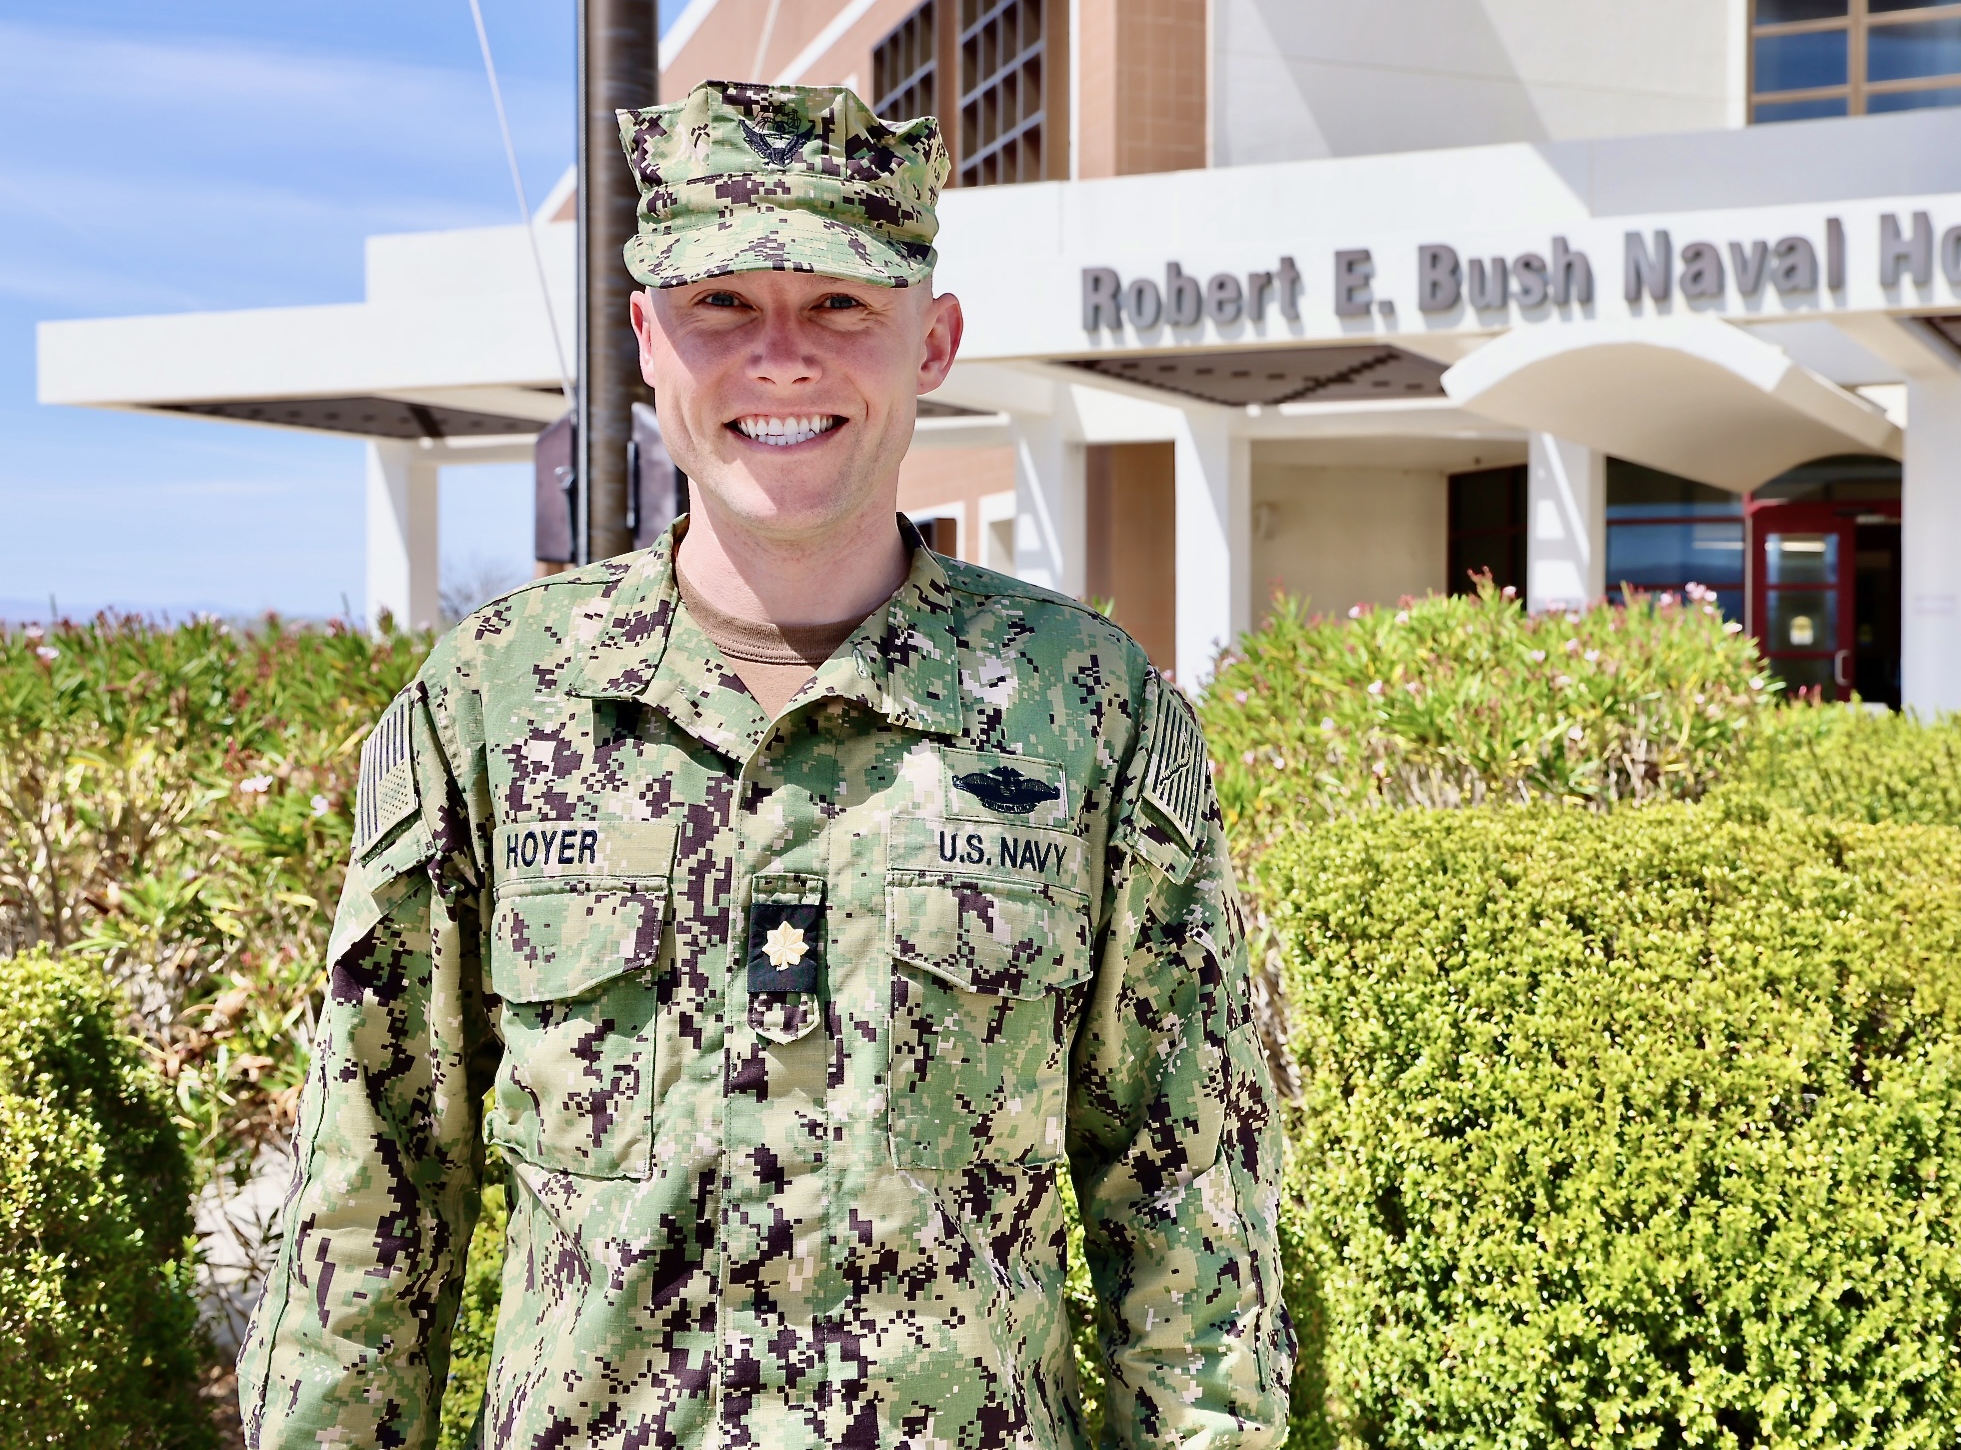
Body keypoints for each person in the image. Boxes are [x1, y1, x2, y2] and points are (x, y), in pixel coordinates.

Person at [238, 81, 1291, 1450]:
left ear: (936, 341)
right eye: (722, 304)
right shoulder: (498, 703)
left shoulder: (1081, 707)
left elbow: (1188, 1207)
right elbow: (368, 1203)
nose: (781, 359)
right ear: (647, 342)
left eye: (842, 303)